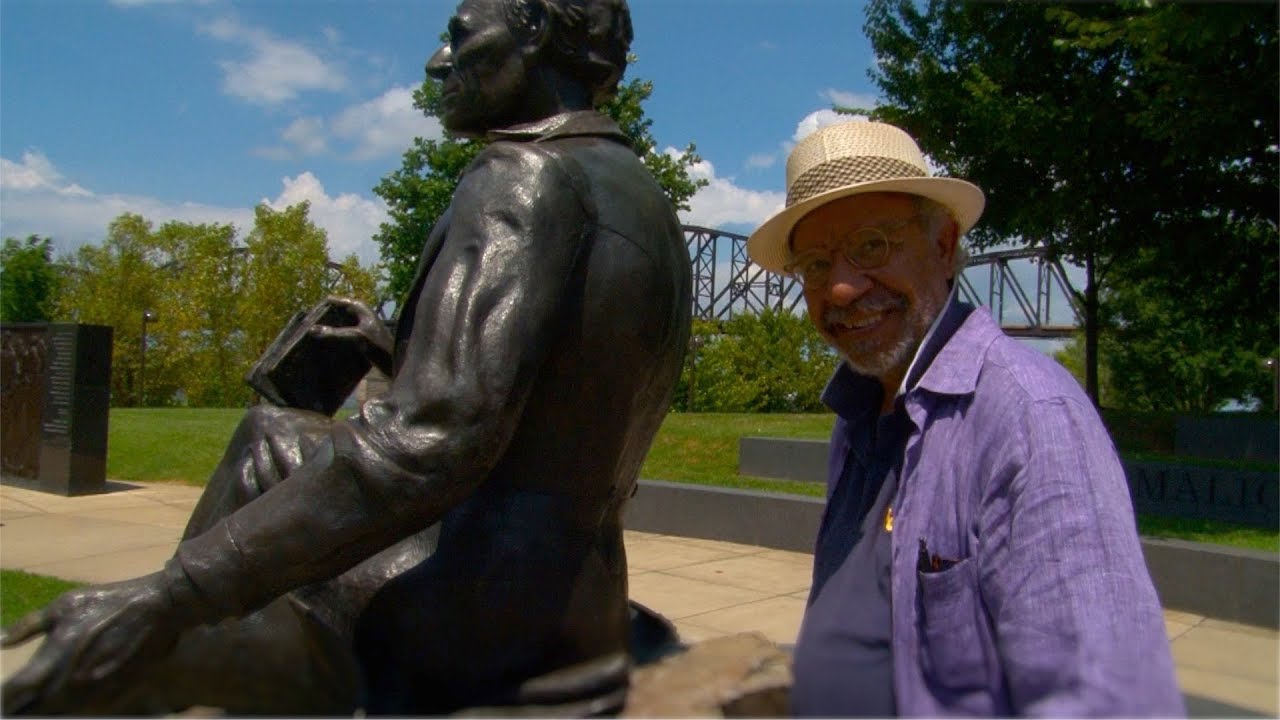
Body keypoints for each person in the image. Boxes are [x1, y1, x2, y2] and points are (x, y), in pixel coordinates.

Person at [0, 0, 691, 715]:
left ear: (537, 33)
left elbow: (431, 444)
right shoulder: (643, 198)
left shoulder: (520, 177)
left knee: (263, 442)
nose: (437, 62)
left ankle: (155, 648)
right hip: (581, 601)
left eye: (459, 36)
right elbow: (566, 400)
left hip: (479, 619)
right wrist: (398, 351)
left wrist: (172, 594)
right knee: (283, 439)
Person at [746, 121, 1183, 716]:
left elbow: (1108, 701)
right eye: (817, 265)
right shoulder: (857, 416)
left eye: (872, 245)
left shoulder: (1029, 417)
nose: (842, 287)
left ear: (945, 246)